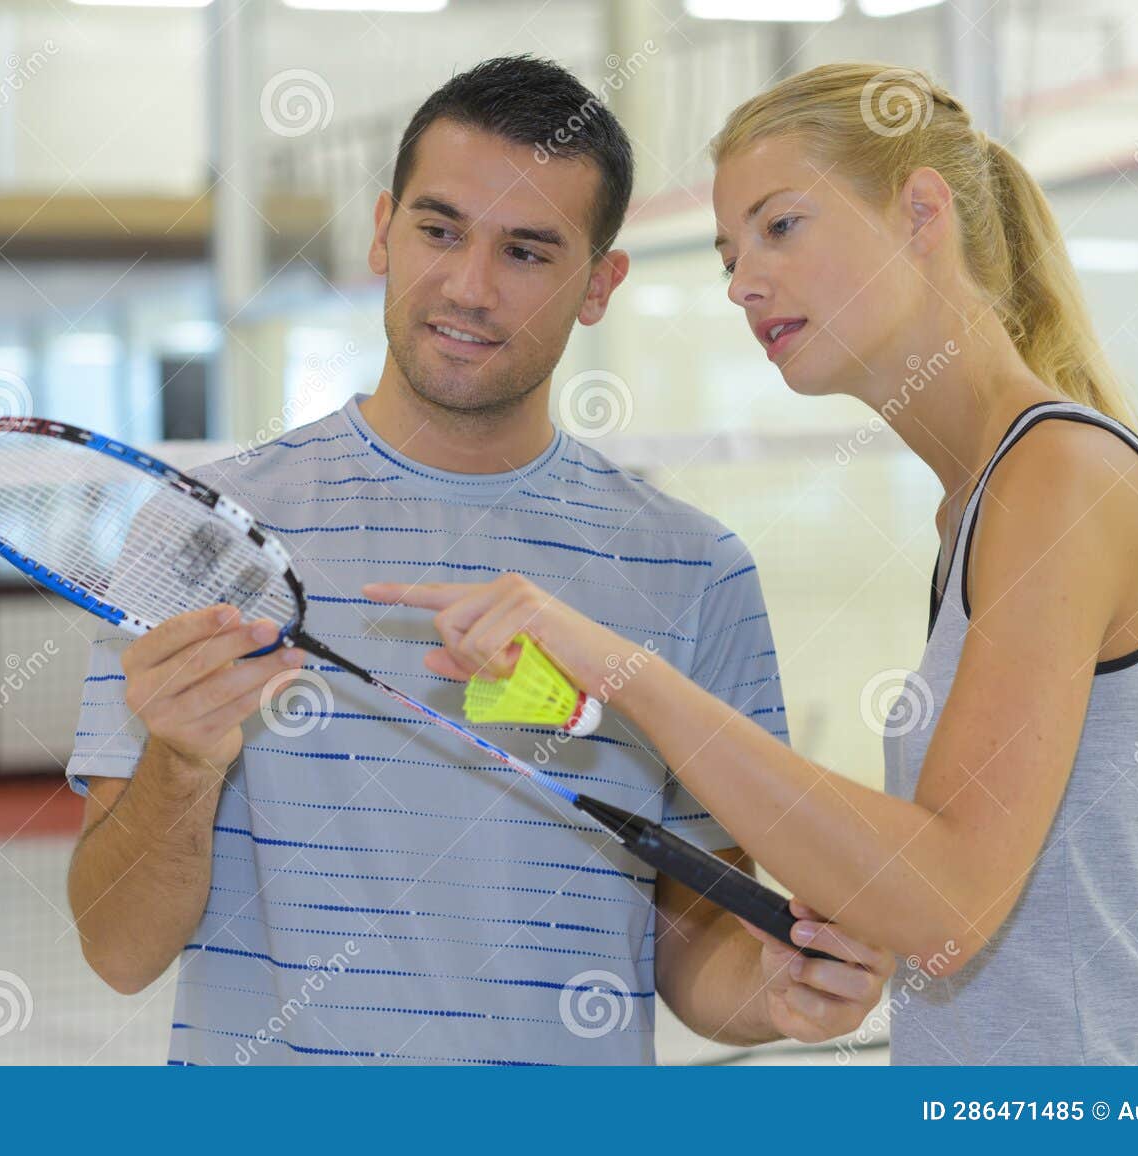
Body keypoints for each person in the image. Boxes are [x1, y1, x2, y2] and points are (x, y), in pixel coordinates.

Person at [366, 62, 1138, 1065]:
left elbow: (947, 900)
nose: (742, 280)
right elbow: (925, 882)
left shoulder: (1058, 476)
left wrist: (626, 674)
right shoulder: (979, 503)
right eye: (729, 250)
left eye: (779, 227)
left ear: (920, 212)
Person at [65, 55, 891, 1067]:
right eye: (439, 230)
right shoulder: (201, 533)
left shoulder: (693, 570)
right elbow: (116, 947)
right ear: (382, 230)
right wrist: (181, 766)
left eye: (528, 252)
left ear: (599, 285)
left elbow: (694, 947)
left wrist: (777, 988)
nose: (468, 286)